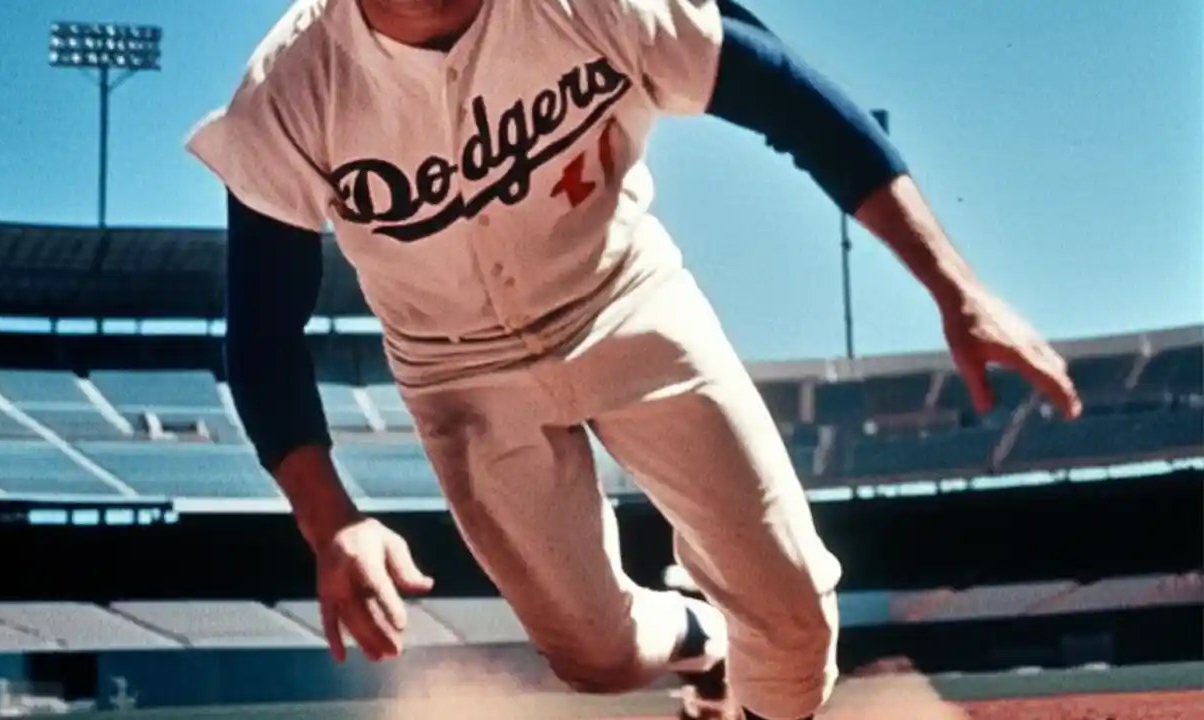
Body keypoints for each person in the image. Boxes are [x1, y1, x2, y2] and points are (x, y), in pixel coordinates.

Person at [186, 0, 1083, 717]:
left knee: (797, 617)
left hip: (628, 305)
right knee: (598, 659)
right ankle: (702, 637)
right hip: (458, 372)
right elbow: (262, 333)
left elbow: (799, 105)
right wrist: (332, 521)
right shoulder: (292, 86)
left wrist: (955, 289)